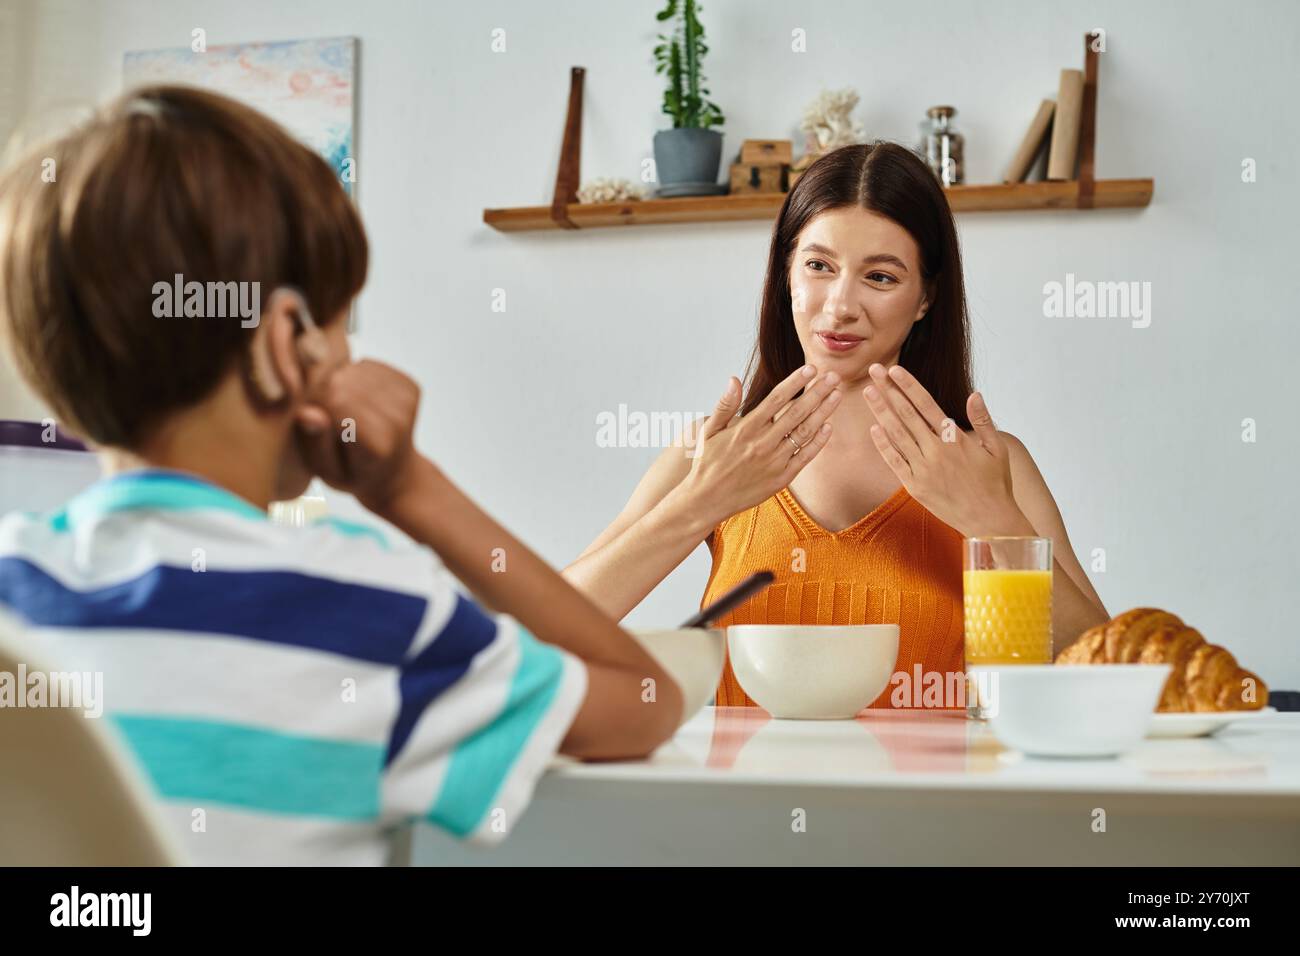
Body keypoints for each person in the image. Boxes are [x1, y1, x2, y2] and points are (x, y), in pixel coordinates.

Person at [0, 85, 682, 864]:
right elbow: (645, 700)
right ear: (289, 343)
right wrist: (407, 487)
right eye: (340, 322)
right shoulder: (371, 609)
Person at [565, 142, 1109, 709]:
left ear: (926, 298)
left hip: (935, 798)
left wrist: (997, 523)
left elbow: (1107, 667)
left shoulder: (992, 463)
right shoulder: (715, 451)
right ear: (786, 274)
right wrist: (699, 503)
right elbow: (546, 631)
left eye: (879, 277)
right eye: (818, 266)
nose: (839, 306)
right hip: (739, 795)